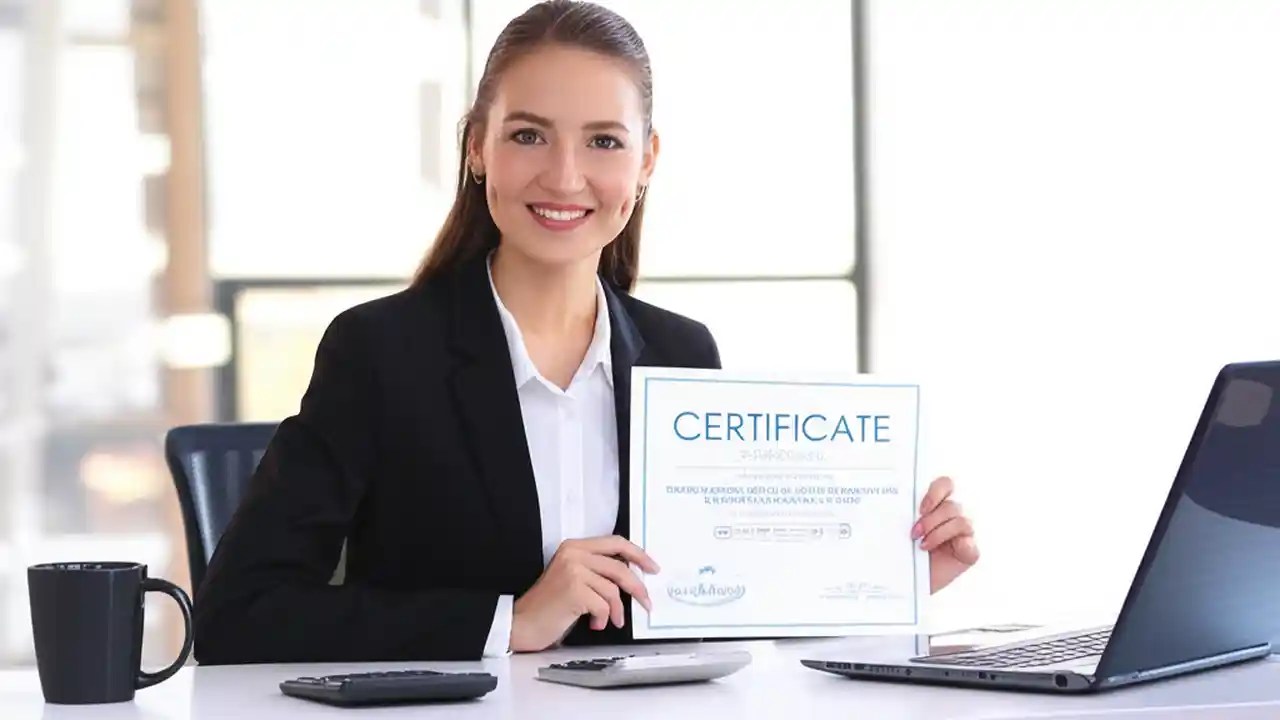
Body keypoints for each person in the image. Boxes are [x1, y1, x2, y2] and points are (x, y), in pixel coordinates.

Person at [191, 0, 979, 664]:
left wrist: (893, 576)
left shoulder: (681, 354)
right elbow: (238, 614)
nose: (565, 177)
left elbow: (706, 602)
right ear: (476, 147)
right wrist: (511, 620)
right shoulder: (380, 352)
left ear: (646, 161)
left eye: (604, 141)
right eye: (528, 134)